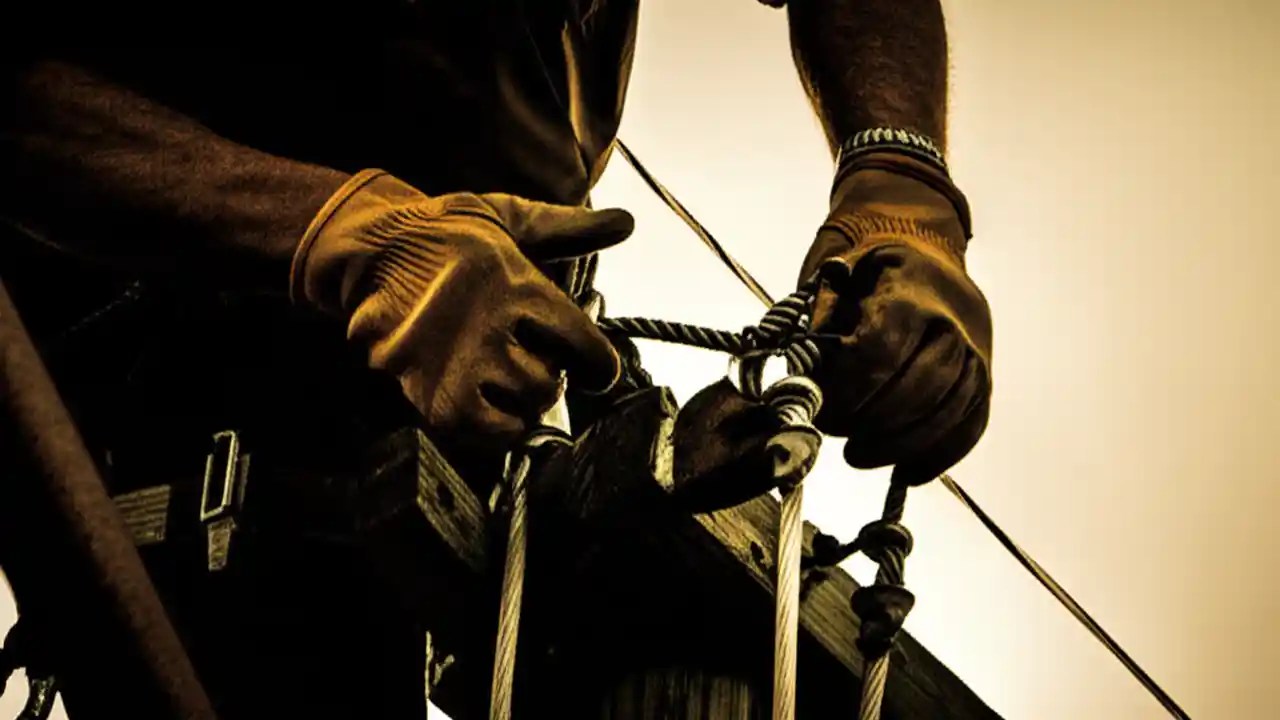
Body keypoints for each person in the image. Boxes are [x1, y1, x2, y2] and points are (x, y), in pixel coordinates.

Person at [1, 0, 993, 717]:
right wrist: (336, 233)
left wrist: (898, 176)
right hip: (182, 396)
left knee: (638, 574)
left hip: (458, 407)